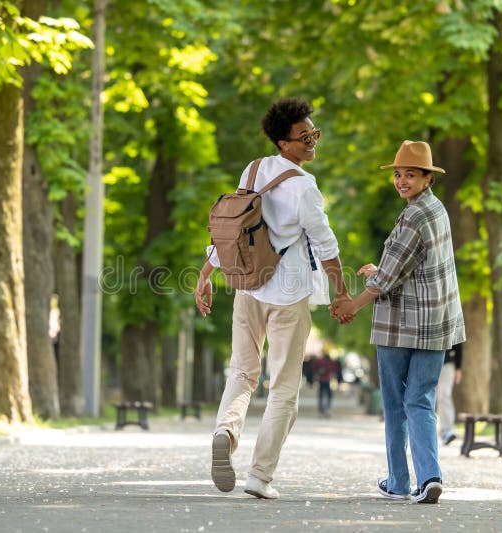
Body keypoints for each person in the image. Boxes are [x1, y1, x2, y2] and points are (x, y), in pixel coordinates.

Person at [195, 97, 349, 500]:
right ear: (284, 143)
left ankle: (225, 432)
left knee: (242, 372)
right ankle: (259, 476)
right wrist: (341, 289)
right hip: (288, 294)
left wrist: (208, 271)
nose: (313, 142)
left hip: (247, 286)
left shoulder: (254, 168)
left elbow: (234, 226)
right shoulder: (304, 186)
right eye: (304, 137)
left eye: (314, 133)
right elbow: (325, 243)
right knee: (283, 387)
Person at [330, 140, 465, 504]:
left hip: (400, 325)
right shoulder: (436, 211)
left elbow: (386, 280)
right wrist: (382, 270)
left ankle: (399, 481)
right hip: (437, 325)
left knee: (395, 403)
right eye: (398, 174)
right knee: (421, 400)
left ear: (426, 178)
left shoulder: (414, 215)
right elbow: (409, 266)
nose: (401, 181)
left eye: (410, 175)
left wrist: (352, 305)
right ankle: (431, 476)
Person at [437, 343, 463, 445]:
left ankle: (447, 430)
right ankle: (423, 431)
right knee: (428, 397)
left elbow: (459, 344)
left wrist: (458, 368)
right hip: (427, 360)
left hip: (448, 363)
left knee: (444, 395)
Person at [312, 352, 336, 417]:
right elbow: (332, 369)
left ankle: (321, 410)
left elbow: (314, 368)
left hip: (321, 379)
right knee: (328, 395)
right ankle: (327, 409)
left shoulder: (319, 361)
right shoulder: (330, 361)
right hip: (327, 380)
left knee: (321, 395)